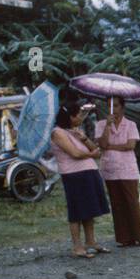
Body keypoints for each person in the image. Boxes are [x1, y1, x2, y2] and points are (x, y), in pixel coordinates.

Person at [50, 99, 110, 259]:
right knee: (77, 210)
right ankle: (77, 246)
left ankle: (91, 242)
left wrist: (83, 138)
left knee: (89, 209)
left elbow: (93, 147)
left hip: (88, 171)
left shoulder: (75, 130)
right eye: (78, 115)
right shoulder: (58, 133)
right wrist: (92, 154)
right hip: (73, 174)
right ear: (70, 116)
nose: (80, 118)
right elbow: (75, 153)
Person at [95, 97, 140, 247]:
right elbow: (102, 144)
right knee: (117, 204)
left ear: (122, 107)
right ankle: (124, 238)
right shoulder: (101, 124)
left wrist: (110, 147)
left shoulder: (131, 124)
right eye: (110, 106)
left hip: (127, 168)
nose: (113, 109)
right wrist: (108, 126)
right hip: (110, 168)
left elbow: (130, 145)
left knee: (132, 202)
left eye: (117, 106)